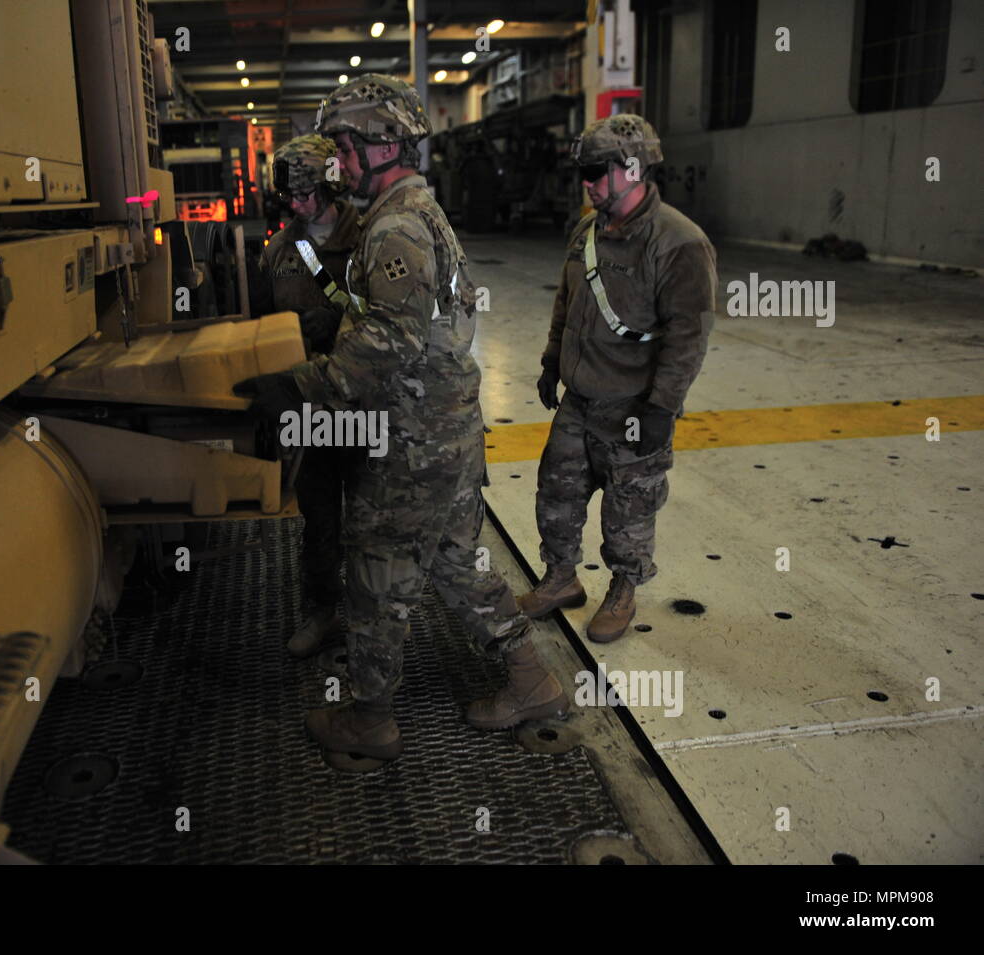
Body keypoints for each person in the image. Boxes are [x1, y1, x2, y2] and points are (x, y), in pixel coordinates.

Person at [235, 75, 570, 765]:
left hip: (412, 441)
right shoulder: (414, 212)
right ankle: (532, 679)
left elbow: (386, 344)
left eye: (347, 148)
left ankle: (370, 718)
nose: (340, 165)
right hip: (442, 431)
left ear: (383, 145)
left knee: (376, 572)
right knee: (454, 563)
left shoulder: (394, 226)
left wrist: (296, 388)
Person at [520, 114, 717, 642]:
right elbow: (568, 303)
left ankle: (623, 590)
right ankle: (561, 578)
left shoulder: (678, 243)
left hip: (633, 408)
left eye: (595, 170)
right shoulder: (587, 232)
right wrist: (550, 362)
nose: (585, 182)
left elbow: (688, 336)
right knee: (555, 495)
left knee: (628, 514)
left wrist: (662, 408)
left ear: (633, 169)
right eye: (581, 171)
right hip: (580, 399)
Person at [252, 135, 362, 659]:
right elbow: (258, 328)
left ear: (333, 184)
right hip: (313, 410)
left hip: (367, 405)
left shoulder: (369, 238)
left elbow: (407, 315)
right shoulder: (279, 250)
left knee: (373, 520)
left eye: (307, 194)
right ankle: (321, 612)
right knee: (319, 520)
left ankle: (374, 620)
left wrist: (339, 318)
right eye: (289, 197)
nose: (297, 205)